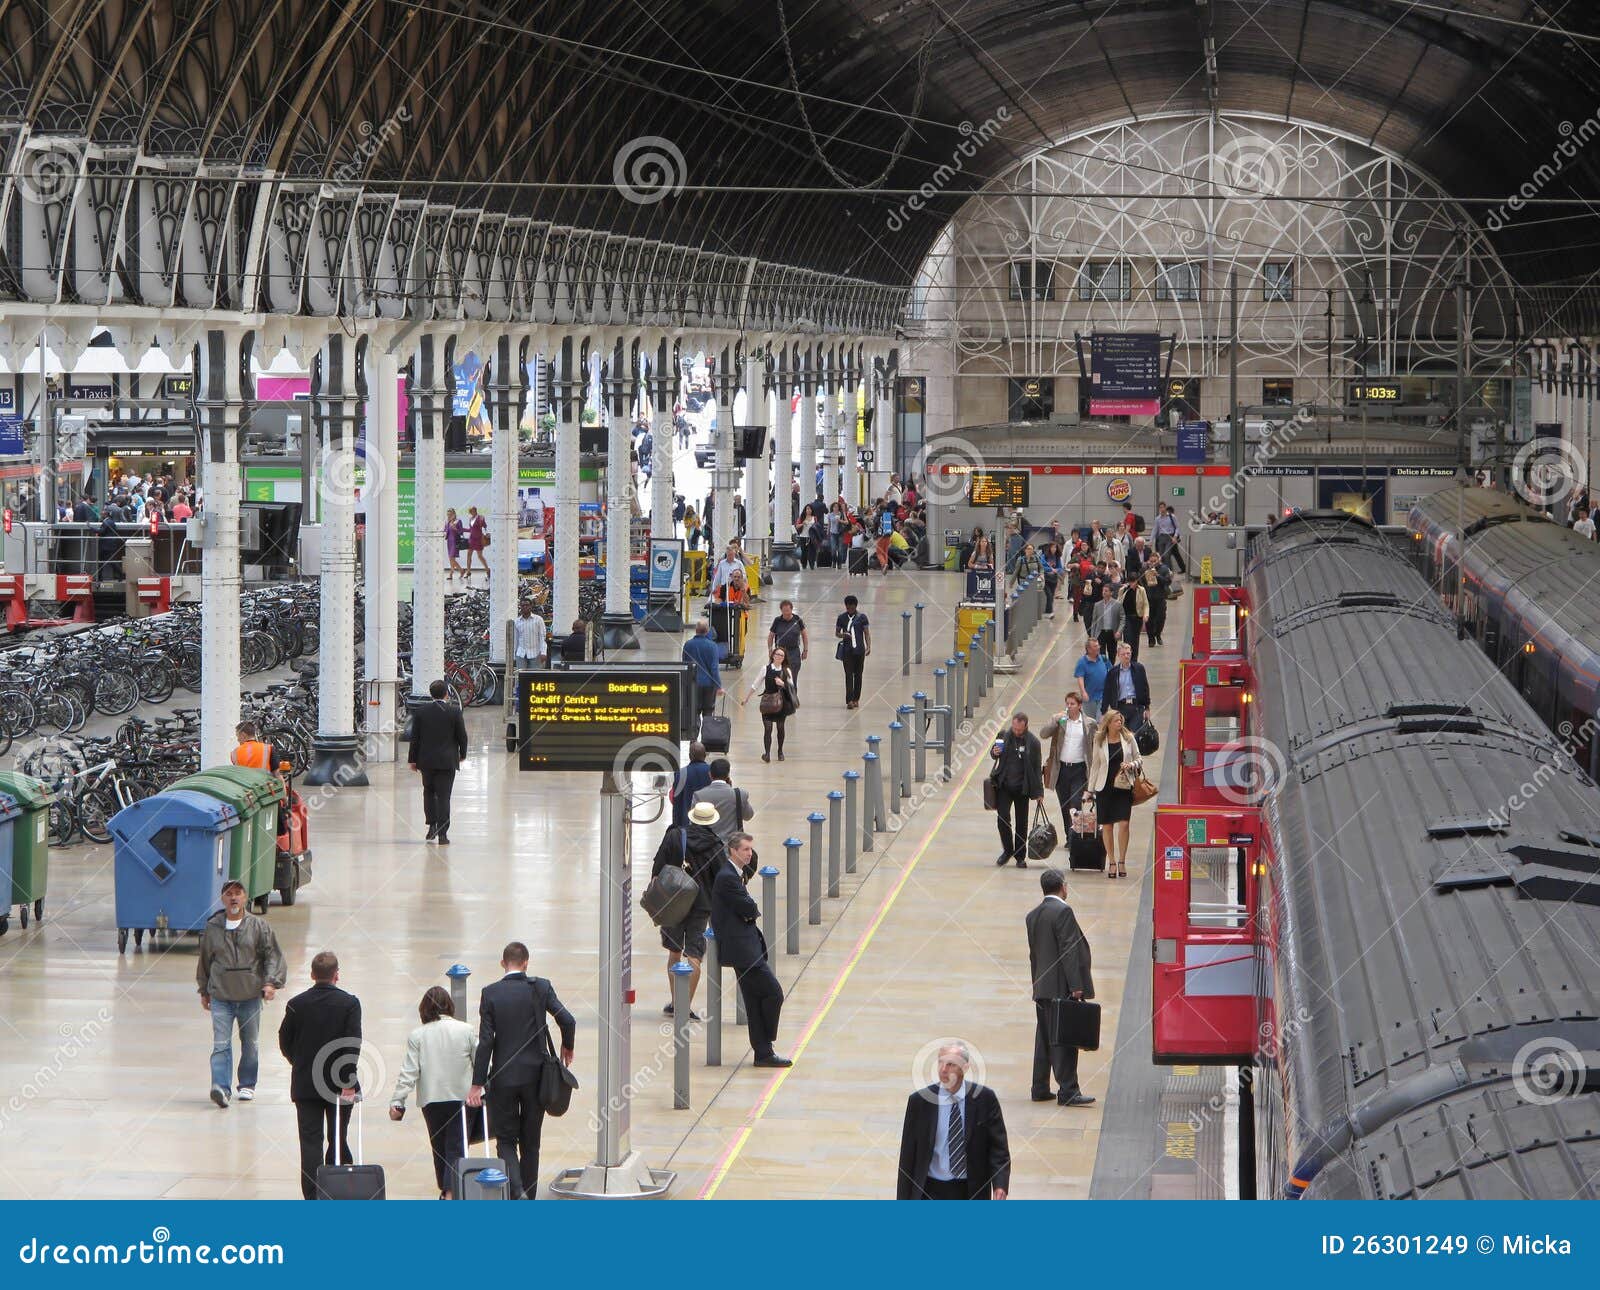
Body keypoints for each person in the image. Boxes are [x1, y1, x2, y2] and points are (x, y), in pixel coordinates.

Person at [468, 942, 576, 1200]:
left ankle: (516, 1192)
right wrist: (567, 1046)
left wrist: (477, 1083)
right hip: (535, 1077)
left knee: (505, 1139)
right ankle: (529, 1193)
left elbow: (486, 1042)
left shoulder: (490, 993)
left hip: (503, 1077)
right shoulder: (540, 987)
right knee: (531, 1142)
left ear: (503, 963)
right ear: (526, 963)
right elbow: (567, 1019)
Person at [278, 951, 363, 1199]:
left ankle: (313, 1196)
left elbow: (285, 1040)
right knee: (338, 1138)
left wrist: (299, 1061)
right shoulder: (350, 1004)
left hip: (305, 1084)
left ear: (312, 975)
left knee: (310, 1144)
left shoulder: (296, 1004)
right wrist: (348, 1081)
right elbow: (352, 1044)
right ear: (337, 975)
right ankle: (337, 1192)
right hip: (339, 1085)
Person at [197, 879, 287, 1108]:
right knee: (221, 1044)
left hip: (249, 997)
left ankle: (247, 1084)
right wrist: (204, 989)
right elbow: (205, 960)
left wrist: (270, 983)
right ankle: (221, 1087)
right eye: (229, 894)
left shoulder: (259, 927)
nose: (234, 898)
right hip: (221, 997)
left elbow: (272, 956)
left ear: (246, 898)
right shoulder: (213, 927)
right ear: (223, 899)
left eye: (238, 893)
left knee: (251, 1043)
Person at [389, 986, 479, 1199]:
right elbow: (482, 1062)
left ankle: (447, 1190)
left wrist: (398, 1100)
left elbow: (409, 1070)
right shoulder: (466, 1030)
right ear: (449, 1005)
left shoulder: (417, 1035)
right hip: (461, 1097)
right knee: (457, 1145)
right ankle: (451, 1192)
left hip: (432, 1100)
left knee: (439, 1146)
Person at [708, 832, 790, 1067]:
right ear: (733, 851)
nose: (750, 853)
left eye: (750, 849)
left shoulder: (736, 874)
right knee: (774, 993)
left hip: (745, 947)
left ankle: (763, 1052)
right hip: (743, 950)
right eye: (745, 849)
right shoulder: (727, 877)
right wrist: (751, 909)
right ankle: (767, 1040)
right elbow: (748, 907)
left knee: (754, 1002)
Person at [896, 1041, 1011, 1199]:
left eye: (950, 1064)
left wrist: (1000, 1184)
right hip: (929, 1189)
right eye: (940, 1062)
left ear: (964, 1067)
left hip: (970, 1190)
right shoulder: (920, 1102)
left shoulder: (985, 1099)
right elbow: (908, 1157)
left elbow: (998, 1149)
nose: (943, 1070)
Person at [1027, 870, 1096, 1107]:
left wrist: (1036, 984)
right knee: (1064, 1039)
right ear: (1062, 887)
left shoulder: (1033, 915)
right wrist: (1076, 985)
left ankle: (1039, 1087)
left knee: (1044, 1038)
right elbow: (1069, 949)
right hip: (1060, 986)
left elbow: (1034, 954)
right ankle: (1068, 1091)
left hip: (1042, 986)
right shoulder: (1063, 911)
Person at [651, 806, 721, 1019]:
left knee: (674, 951)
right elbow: (721, 879)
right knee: (694, 955)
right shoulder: (716, 846)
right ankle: (684, 1006)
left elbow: (657, 869)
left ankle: (675, 1002)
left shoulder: (674, 836)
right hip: (701, 907)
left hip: (674, 902)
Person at [408, 678, 469, 845]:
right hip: (447, 761)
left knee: (428, 792)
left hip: (426, 760)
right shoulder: (454, 712)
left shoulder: (421, 712)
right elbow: (462, 736)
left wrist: (412, 759)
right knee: (444, 796)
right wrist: (462, 754)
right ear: (446, 694)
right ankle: (443, 834)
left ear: (431, 694)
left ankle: (431, 827)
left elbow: (415, 739)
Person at [1088, 708, 1143, 879]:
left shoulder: (1128, 738)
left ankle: (1122, 860)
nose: (1120, 723)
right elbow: (1095, 765)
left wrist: (1131, 765)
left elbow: (1139, 758)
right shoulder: (1099, 739)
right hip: (1104, 787)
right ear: (1109, 723)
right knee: (1108, 826)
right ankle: (1111, 861)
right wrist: (1089, 790)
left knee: (1124, 824)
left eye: (1121, 720)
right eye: (1117, 721)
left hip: (1123, 786)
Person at [989, 713, 1044, 868]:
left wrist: (1039, 792)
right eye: (1014, 728)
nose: (1016, 731)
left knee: (1022, 823)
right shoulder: (1004, 736)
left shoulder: (1033, 742)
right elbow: (993, 755)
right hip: (1004, 785)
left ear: (1025, 726)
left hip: (1022, 788)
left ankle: (1020, 856)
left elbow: (1036, 767)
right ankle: (1007, 850)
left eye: (1019, 730)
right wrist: (994, 752)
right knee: (1003, 818)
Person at [1044, 692, 1095, 826]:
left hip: (1079, 769)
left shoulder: (1089, 724)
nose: (1069, 706)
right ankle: (1069, 835)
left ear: (1079, 705)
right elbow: (1043, 734)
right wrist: (1055, 720)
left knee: (1076, 802)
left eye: (1072, 704)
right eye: (1067, 703)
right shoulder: (1060, 721)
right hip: (1062, 769)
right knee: (1065, 805)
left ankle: (1075, 835)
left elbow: (1095, 746)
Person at [741, 645, 798, 762]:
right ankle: (767, 753)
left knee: (780, 728)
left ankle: (780, 752)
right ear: (773, 656)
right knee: (768, 728)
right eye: (777, 654)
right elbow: (755, 684)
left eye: (782, 655)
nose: (779, 657)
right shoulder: (765, 669)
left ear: (784, 658)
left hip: (781, 704)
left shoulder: (786, 670)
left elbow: (792, 687)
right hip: (767, 703)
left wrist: (783, 683)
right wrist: (746, 698)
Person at [693, 757, 755, 845]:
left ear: (710, 774)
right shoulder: (739, 794)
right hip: (732, 849)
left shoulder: (699, 795)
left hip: (707, 849)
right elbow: (748, 816)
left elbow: (694, 823)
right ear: (728, 775)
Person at [682, 619, 723, 739]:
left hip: (693, 684)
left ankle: (693, 741)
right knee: (708, 713)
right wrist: (719, 686)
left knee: (694, 713)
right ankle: (707, 740)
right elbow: (714, 668)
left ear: (696, 630)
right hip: (708, 685)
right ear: (707, 631)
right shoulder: (712, 646)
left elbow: (684, 664)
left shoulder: (688, 644)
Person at [1100, 640, 1150, 731]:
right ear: (1118, 655)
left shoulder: (1139, 669)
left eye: (1128, 653)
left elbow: (1145, 688)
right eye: (1123, 654)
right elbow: (1107, 692)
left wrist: (1147, 707)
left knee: (1133, 735)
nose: (1126, 656)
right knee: (1122, 734)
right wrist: (1104, 712)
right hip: (1120, 708)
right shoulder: (1113, 672)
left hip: (1136, 707)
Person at [835, 594, 871, 710]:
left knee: (859, 675)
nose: (850, 609)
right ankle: (849, 700)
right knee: (848, 675)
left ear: (856, 606)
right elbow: (837, 633)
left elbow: (866, 633)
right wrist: (843, 635)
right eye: (848, 607)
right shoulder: (841, 618)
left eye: (852, 607)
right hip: (847, 651)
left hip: (859, 650)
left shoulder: (862, 617)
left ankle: (856, 699)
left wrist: (868, 646)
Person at [766, 599, 809, 692]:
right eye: (784, 612)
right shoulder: (777, 620)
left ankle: (792, 700)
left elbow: (804, 635)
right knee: (780, 677)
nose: (786, 614)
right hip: (780, 652)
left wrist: (805, 650)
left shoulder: (798, 620)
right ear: (781, 610)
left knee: (792, 678)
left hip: (794, 652)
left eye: (788, 611)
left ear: (792, 609)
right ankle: (780, 699)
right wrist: (770, 650)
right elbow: (770, 637)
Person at [670, 741, 714, 829]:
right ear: (705, 756)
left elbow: (676, 801)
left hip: (687, 826)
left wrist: (675, 826)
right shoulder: (713, 772)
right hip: (710, 824)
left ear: (690, 756)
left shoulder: (681, 773)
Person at [1119, 570, 1149, 663]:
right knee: (1128, 639)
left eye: (1134, 581)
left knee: (1135, 640)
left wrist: (1146, 615)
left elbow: (1145, 604)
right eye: (1130, 581)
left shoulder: (1141, 590)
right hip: (1126, 617)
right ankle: (1126, 658)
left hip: (1137, 617)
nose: (1132, 584)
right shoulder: (1123, 590)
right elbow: (1118, 603)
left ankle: (1134, 660)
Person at [1089, 581, 1124, 659]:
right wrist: (1092, 636)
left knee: (1112, 653)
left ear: (1111, 593)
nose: (1104, 592)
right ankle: (1104, 670)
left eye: (1106, 591)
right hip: (1101, 633)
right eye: (1103, 591)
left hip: (1112, 632)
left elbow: (1122, 618)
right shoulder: (1097, 605)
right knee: (1101, 655)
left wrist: (1119, 631)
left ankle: (1111, 669)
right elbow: (1094, 621)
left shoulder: (1117, 604)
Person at [513, 602, 548, 669]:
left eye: (527, 605)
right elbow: (516, 639)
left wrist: (543, 652)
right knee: (520, 677)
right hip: (521, 653)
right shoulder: (517, 621)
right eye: (523, 605)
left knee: (534, 677)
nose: (525, 607)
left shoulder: (538, 619)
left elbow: (542, 637)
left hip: (535, 653)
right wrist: (514, 655)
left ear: (531, 606)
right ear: (520, 607)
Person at [1143, 561, 1169, 647]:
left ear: (1159, 560)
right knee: (1149, 619)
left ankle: (1158, 634)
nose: (1153, 562)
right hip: (1149, 598)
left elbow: (1167, 581)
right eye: (1151, 561)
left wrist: (1157, 575)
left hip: (1160, 598)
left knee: (1161, 618)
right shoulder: (1145, 569)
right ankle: (1151, 638)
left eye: (1155, 561)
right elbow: (1141, 580)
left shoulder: (1164, 569)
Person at [464, 505, 490, 580]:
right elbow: (470, 529)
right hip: (471, 538)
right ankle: (468, 572)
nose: (471, 512)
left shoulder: (480, 517)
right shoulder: (470, 518)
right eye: (470, 511)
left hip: (478, 538)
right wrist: (462, 530)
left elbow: (484, 526)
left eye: (472, 510)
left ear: (475, 510)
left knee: (480, 556)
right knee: (469, 555)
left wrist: (486, 532)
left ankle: (487, 570)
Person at [1039, 542, 1063, 616]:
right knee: (1049, 595)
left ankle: (1048, 610)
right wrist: (1050, 570)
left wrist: (1057, 570)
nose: (1054, 549)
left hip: (1054, 579)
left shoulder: (1057, 557)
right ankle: (1050, 612)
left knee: (1051, 596)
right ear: (1049, 548)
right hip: (1046, 579)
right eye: (1052, 547)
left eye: (1055, 547)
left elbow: (1060, 568)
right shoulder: (1044, 556)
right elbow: (1041, 567)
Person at [445, 508, 466, 580]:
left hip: (455, 542)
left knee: (452, 558)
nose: (449, 516)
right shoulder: (447, 522)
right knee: (451, 559)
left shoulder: (458, 521)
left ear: (454, 514)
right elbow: (446, 530)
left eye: (450, 514)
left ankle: (453, 573)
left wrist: (455, 529)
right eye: (448, 515)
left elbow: (461, 532)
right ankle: (460, 571)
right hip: (449, 542)